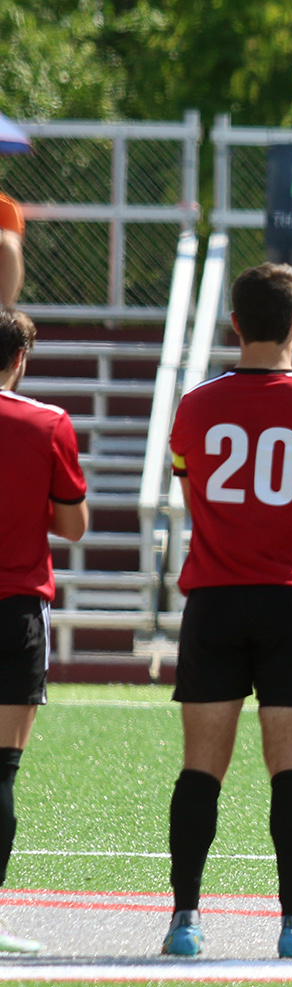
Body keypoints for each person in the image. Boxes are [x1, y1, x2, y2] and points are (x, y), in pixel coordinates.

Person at [161, 264, 292, 960]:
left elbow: (193, 496)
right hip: (291, 602)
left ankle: (184, 921)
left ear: (235, 323)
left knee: (199, 771)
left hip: (213, 599)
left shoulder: (193, 405)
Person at [0, 309, 88, 954]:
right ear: (20, 359)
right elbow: (75, 524)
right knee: (2, 769)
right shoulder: (46, 423)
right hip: (15, 606)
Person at [0, 192, 22, 307]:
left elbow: (13, 239)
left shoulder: (5, 206)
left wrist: (1, 236)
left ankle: (6, 317)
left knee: (10, 247)